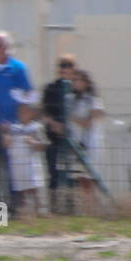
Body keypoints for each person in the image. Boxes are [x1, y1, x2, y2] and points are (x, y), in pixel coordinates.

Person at [0, 31, 32, 207]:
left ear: (9, 47)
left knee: (12, 173)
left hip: (11, 129)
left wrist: (13, 123)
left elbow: (27, 98)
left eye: (2, 44)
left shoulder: (18, 69)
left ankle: (13, 212)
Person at [41, 55, 78, 214]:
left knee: (73, 175)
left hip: (74, 140)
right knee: (54, 175)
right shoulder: (50, 88)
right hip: (53, 138)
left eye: (67, 65)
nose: (64, 68)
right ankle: (54, 209)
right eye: (61, 65)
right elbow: (43, 112)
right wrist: (54, 124)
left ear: (73, 69)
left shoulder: (77, 89)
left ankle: (72, 209)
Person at [4, 90, 48, 217]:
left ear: (32, 113)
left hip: (31, 165)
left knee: (34, 190)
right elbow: (7, 144)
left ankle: (39, 211)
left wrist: (34, 142)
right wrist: (7, 141)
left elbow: (43, 144)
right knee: (21, 190)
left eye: (25, 111)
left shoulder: (36, 127)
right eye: (20, 111)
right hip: (17, 164)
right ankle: (24, 214)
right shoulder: (14, 128)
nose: (21, 113)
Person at [69, 69, 106, 208]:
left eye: (78, 80)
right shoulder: (74, 100)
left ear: (85, 82)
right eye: (74, 80)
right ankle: (87, 208)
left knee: (91, 180)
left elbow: (88, 123)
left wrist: (70, 117)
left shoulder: (93, 100)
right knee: (81, 180)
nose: (75, 83)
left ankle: (94, 208)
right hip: (78, 144)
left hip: (92, 144)